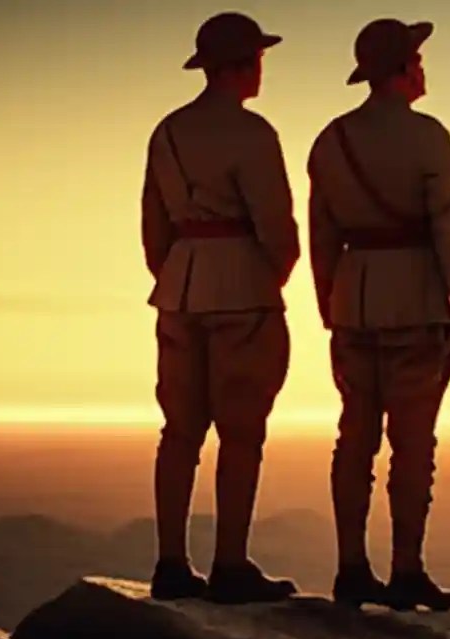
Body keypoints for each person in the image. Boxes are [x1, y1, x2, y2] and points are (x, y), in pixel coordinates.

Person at [307, 18, 450, 612]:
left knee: (354, 437)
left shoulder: (329, 141)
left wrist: (330, 305)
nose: (424, 68)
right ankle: (406, 570)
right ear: (405, 68)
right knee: (413, 446)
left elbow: (322, 236)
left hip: (353, 304)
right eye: (418, 58)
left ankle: (350, 567)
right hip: (415, 303)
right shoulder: (430, 138)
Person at [141, 12, 300, 604]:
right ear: (242, 65)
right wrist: (267, 281)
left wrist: (177, 274)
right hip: (242, 290)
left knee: (179, 431)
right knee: (241, 433)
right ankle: (230, 563)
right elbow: (278, 229)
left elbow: (152, 226)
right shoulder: (254, 134)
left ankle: (170, 563)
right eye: (257, 58)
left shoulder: (168, 132)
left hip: (180, 287)